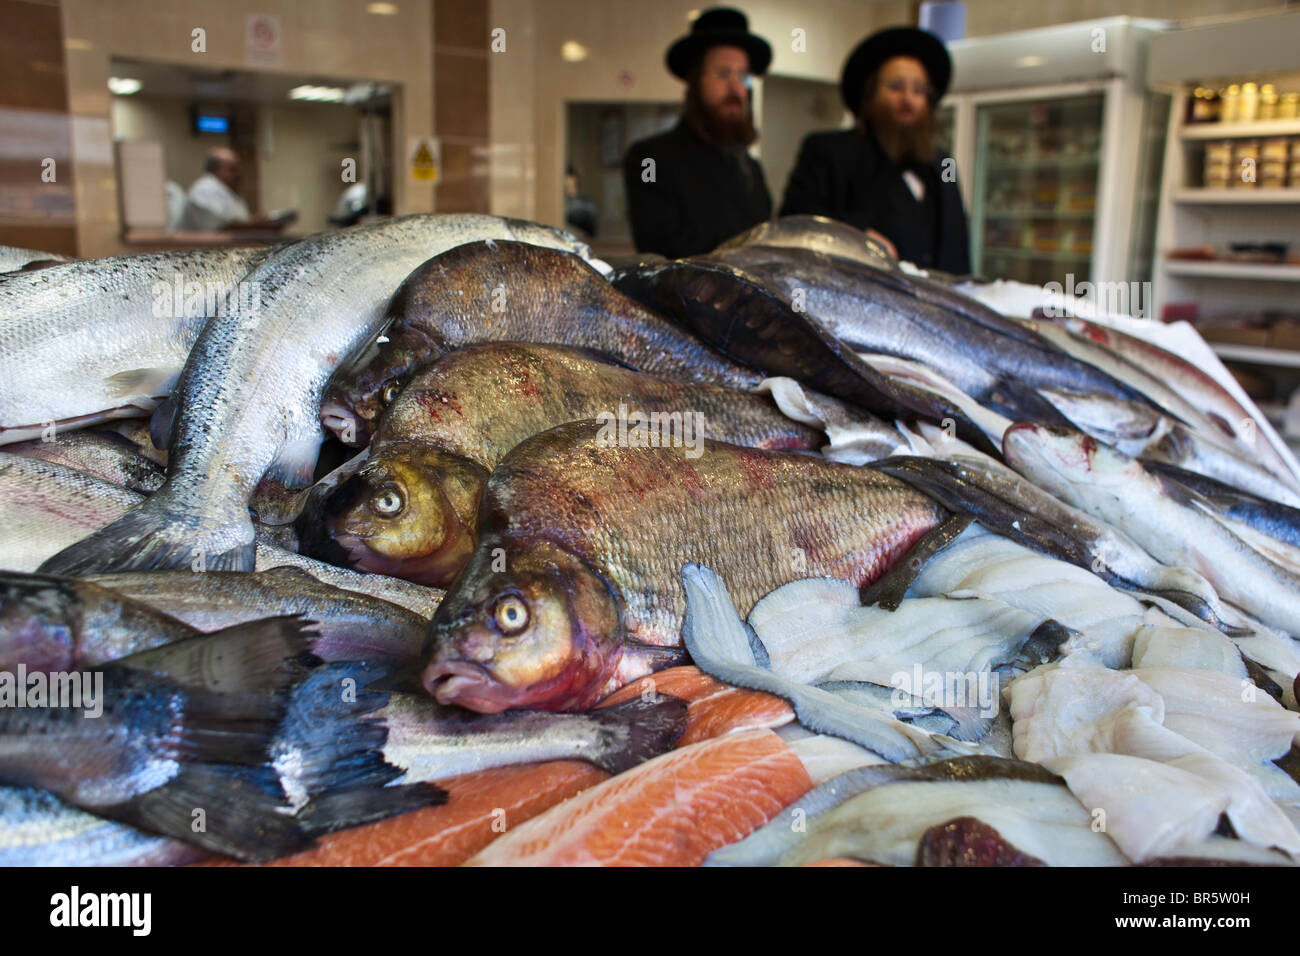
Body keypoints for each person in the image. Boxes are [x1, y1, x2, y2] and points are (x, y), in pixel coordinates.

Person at [780, 26, 971, 274]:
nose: (908, 99)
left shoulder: (944, 164)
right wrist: (854, 236)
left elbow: (957, 247)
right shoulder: (828, 152)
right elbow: (794, 221)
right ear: (870, 95)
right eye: (896, 86)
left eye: (919, 89)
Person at [623, 7, 772, 259]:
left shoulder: (751, 168)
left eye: (744, 76)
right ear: (696, 80)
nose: (736, 88)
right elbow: (657, 245)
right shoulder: (649, 159)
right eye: (723, 74)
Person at [180, 148, 291, 232]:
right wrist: (256, 223)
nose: (238, 174)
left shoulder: (230, 192)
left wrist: (257, 222)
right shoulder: (203, 189)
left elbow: (239, 221)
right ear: (215, 170)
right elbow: (222, 226)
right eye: (233, 169)